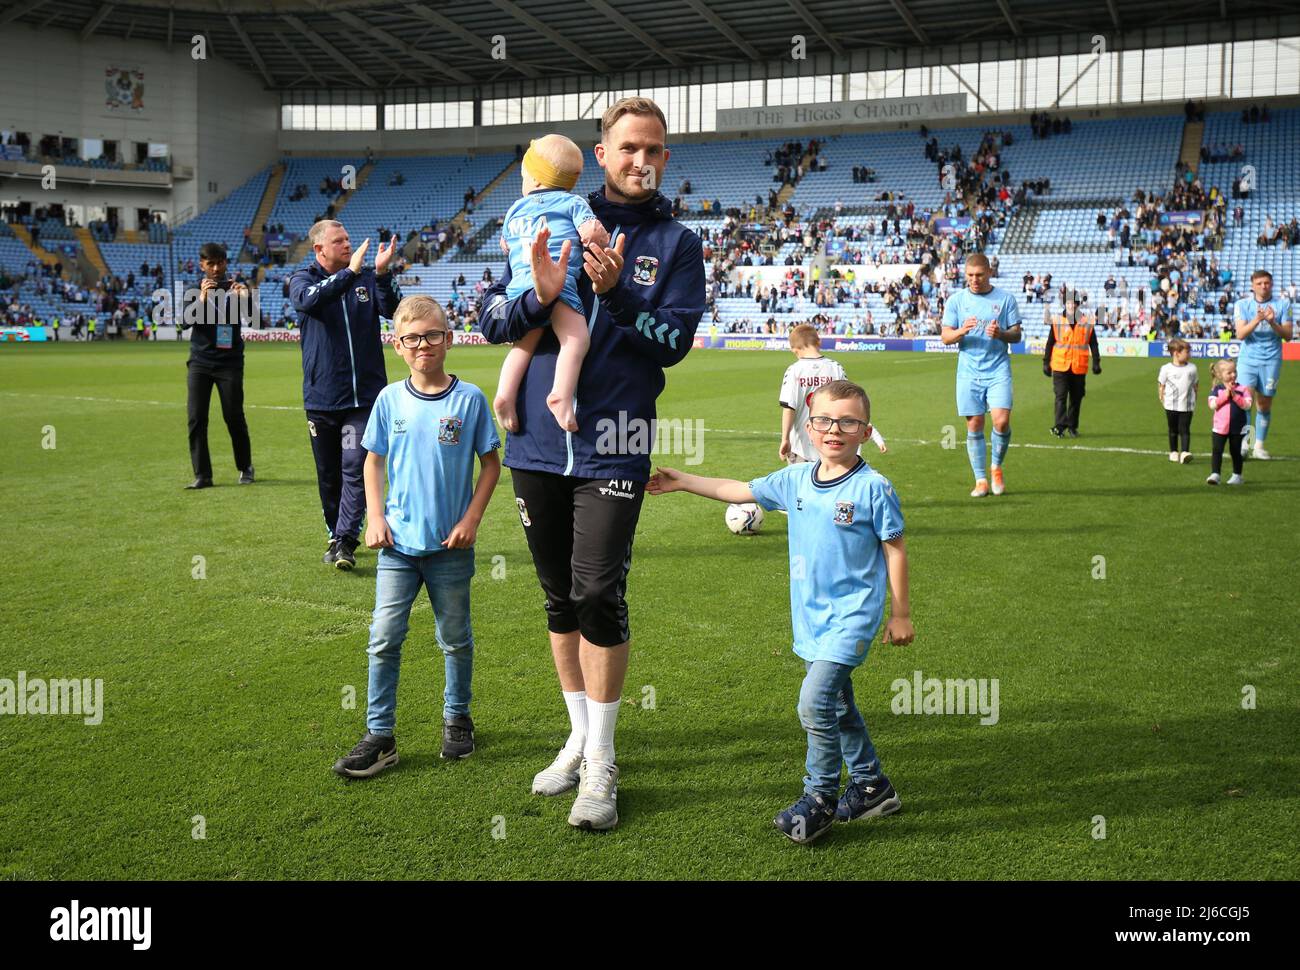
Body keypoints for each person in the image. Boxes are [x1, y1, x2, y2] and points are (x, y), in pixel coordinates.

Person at [477, 97, 705, 832]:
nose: (644, 159)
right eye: (630, 147)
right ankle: (577, 734)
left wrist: (618, 292)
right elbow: (491, 320)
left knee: (598, 592)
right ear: (601, 155)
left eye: (656, 150)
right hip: (537, 446)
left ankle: (603, 761)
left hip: (618, 440)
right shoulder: (546, 215)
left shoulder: (677, 243)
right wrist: (539, 296)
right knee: (557, 599)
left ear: (665, 158)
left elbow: (670, 342)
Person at [647, 380, 914, 844]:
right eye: (826, 421)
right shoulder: (795, 480)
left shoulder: (874, 488)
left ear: (865, 431)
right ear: (809, 428)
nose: (835, 430)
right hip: (810, 617)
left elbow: (895, 549)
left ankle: (820, 798)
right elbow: (740, 490)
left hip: (852, 619)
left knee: (814, 703)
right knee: (838, 702)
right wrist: (684, 481)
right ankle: (872, 786)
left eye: (848, 422)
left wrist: (900, 613)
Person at [332, 296, 501, 777]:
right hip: (397, 547)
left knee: (455, 639)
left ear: (448, 339)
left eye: (432, 335)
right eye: (412, 338)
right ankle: (380, 735)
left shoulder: (468, 399)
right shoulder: (389, 399)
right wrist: (375, 517)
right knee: (384, 638)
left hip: (450, 547)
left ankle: (457, 717)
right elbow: (373, 460)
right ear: (398, 346)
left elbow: (491, 464)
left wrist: (472, 519)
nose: (423, 345)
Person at [289, 221, 402, 570]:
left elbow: (393, 311)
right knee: (329, 473)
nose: (347, 245)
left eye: (348, 240)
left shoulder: (365, 279)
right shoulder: (302, 279)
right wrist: (350, 274)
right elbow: (309, 301)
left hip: (363, 398)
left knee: (354, 466)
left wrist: (381, 275)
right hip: (322, 396)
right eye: (339, 241)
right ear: (319, 249)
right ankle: (334, 530)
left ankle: (345, 540)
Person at [494, 135, 609, 433]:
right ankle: (560, 394)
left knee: (523, 345)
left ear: (534, 177)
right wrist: (601, 238)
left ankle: (505, 394)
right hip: (557, 282)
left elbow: (506, 246)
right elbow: (589, 235)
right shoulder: (573, 202)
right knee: (576, 340)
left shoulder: (515, 209)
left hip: (521, 286)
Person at [940, 253, 1021, 496]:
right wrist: (961, 331)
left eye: (979, 275)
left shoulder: (1005, 299)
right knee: (975, 425)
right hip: (968, 372)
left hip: (997, 368)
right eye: (970, 275)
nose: (974, 280)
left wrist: (1002, 334)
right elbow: (945, 337)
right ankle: (981, 480)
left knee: (1001, 420)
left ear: (989, 273)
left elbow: (1016, 335)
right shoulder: (956, 301)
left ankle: (996, 466)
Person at [179, 243, 255, 489]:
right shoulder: (193, 290)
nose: (215, 268)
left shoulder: (236, 289)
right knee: (196, 418)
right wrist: (202, 298)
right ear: (202, 265)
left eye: (219, 262)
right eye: (210, 263)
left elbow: (255, 319)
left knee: (233, 416)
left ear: (225, 263)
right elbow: (183, 324)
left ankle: (245, 466)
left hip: (230, 363)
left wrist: (247, 299)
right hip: (200, 362)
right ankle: (202, 475)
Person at [779, 324, 885, 462]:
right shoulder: (835, 368)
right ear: (819, 342)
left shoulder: (794, 370)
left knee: (800, 483)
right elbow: (848, 403)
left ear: (794, 350)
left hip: (801, 448)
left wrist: (785, 439)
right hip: (831, 443)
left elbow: (789, 408)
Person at [1233, 270, 1293, 460]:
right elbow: (1241, 334)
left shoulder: (1283, 304)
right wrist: (1258, 319)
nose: (1263, 286)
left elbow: (1288, 336)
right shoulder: (1242, 305)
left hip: (1271, 359)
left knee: (1264, 404)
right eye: (1259, 283)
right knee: (1246, 402)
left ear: (1272, 284)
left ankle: (1259, 446)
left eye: (1266, 283)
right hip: (1248, 360)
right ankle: (1245, 443)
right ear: (1252, 285)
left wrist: (1272, 322)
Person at [1043, 299, 1101, 437]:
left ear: (1077, 305)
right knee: (1061, 396)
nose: (1071, 306)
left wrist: (1096, 362)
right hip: (1060, 365)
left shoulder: (1086, 321)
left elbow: (1093, 344)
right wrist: (1046, 362)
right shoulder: (1057, 321)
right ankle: (1060, 426)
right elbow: (1050, 342)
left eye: (1073, 303)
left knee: (1076, 398)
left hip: (1078, 366)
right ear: (1065, 304)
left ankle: (1072, 427)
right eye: (1068, 303)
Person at [1206, 359, 1252, 486]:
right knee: (1217, 450)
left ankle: (1237, 475)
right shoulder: (1217, 389)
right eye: (1229, 372)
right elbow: (1212, 404)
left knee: (1235, 451)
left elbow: (1247, 405)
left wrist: (1235, 396)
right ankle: (1215, 474)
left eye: (1234, 371)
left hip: (1237, 428)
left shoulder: (1242, 389)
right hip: (1220, 427)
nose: (1233, 375)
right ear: (1220, 375)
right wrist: (1225, 396)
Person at [1157, 338, 1198, 463]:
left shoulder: (1192, 368)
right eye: (1187, 352)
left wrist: (1194, 398)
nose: (1189, 355)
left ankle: (1185, 452)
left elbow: (1196, 385)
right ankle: (1173, 451)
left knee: (1185, 429)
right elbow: (1161, 384)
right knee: (1173, 429)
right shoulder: (1166, 368)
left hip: (1187, 405)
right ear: (1176, 353)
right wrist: (1161, 397)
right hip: (1171, 405)